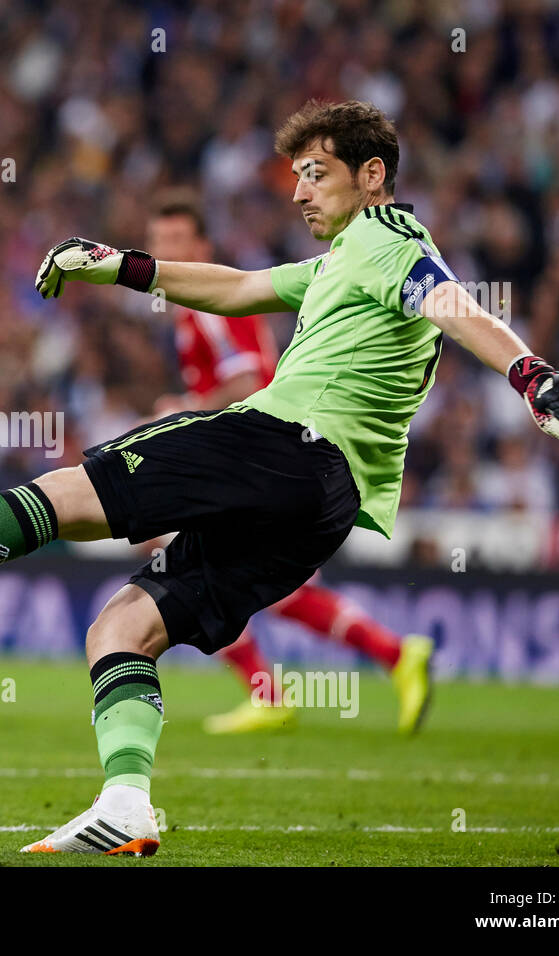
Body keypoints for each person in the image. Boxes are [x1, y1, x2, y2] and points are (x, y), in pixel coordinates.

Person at [0, 100, 559, 857]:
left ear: (371, 174)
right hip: (324, 506)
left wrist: (531, 375)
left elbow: (448, 300)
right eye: (295, 176)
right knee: (122, 627)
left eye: (317, 174)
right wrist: (122, 265)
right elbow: (236, 288)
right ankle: (126, 805)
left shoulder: (388, 238)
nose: (300, 191)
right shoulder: (340, 261)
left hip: (284, 443)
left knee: (65, 495)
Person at [143, 192, 432, 735]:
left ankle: (270, 689)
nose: (166, 253)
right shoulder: (190, 309)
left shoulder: (208, 309)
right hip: (264, 453)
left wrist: (179, 412)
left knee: (176, 553)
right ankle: (390, 654)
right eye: (158, 244)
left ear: (202, 246)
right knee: (265, 579)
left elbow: (250, 380)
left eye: (177, 242)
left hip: (257, 452)